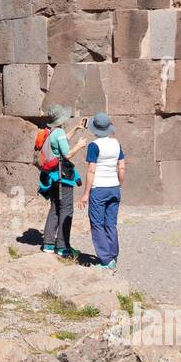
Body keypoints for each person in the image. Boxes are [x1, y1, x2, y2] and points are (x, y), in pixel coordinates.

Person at [40, 105, 89, 258]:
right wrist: (79, 146)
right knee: (66, 209)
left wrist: (76, 128)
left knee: (55, 208)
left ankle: (48, 243)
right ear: (61, 119)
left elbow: (61, 140)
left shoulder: (51, 132)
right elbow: (67, 154)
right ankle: (62, 247)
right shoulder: (59, 132)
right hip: (63, 178)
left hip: (52, 176)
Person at [83, 113, 126, 269]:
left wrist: (86, 193)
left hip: (98, 189)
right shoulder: (116, 144)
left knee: (97, 224)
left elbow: (91, 171)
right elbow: (121, 167)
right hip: (114, 188)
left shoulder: (94, 146)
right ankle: (113, 255)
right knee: (111, 224)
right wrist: (119, 183)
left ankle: (106, 260)